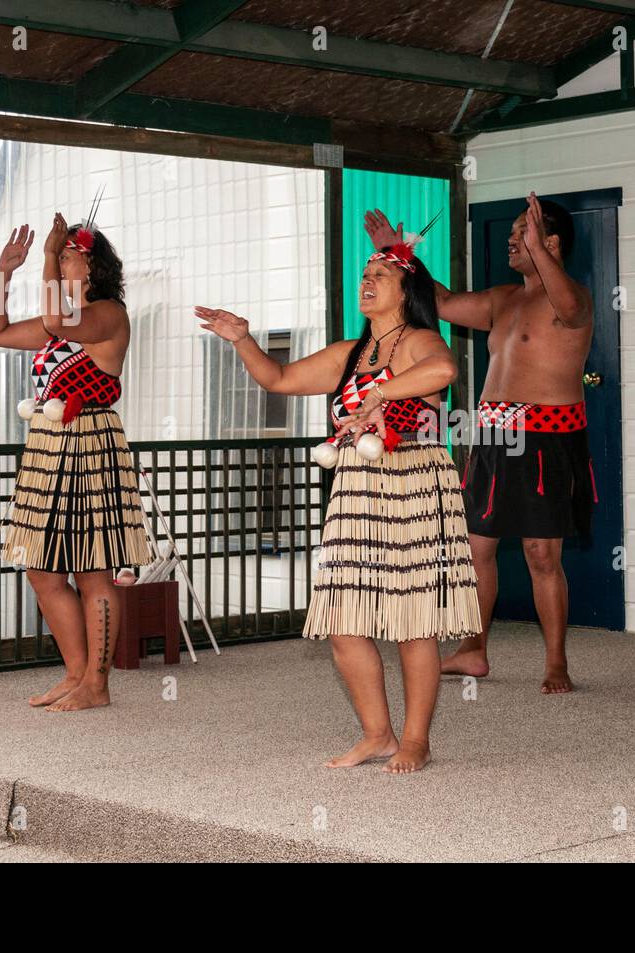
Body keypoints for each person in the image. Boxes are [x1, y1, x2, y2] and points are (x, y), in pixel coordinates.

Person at [196, 240, 480, 774]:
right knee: (344, 618)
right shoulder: (348, 353)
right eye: (364, 273)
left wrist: (380, 396)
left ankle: (416, 739)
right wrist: (244, 340)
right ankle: (378, 734)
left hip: (414, 482)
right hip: (354, 489)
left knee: (413, 620)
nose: (366, 281)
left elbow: (443, 373)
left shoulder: (420, 340)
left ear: (406, 288)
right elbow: (278, 379)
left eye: (380, 274)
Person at [365, 194, 595, 694]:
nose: (512, 238)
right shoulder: (502, 300)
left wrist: (542, 253)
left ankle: (556, 662)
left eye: (523, 231)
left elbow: (571, 308)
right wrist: (399, 254)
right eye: (513, 232)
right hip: (492, 435)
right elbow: (442, 302)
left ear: (550, 242)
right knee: (474, 549)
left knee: (540, 554)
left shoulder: (571, 299)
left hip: (546, 438)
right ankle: (473, 650)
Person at [0, 213, 151, 711]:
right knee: (42, 570)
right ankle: (77, 674)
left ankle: (97, 686)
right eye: (58, 255)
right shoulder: (57, 323)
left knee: (93, 571)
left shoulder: (108, 313)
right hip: (47, 446)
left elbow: (60, 320)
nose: (60, 258)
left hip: (91, 444)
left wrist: (43, 260)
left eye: (69, 254)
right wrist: (2, 274)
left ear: (94, 266)